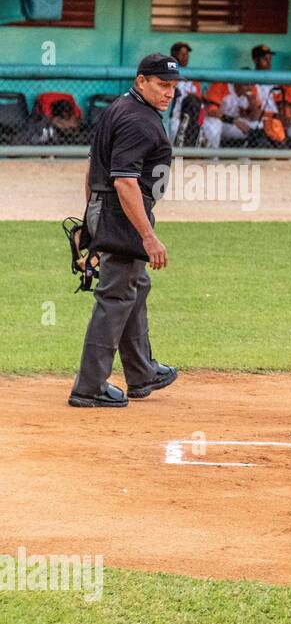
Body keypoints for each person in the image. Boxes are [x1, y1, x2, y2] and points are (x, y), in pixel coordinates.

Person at [68, 53, 180, 408]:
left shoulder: (120, 108)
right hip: (124, 214)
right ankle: (89, 387)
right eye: (162, 85)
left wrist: (91, 224)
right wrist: (147, 236)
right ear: (141, 80)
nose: (169, 93)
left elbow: (92, 169)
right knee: (115, 297)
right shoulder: (139, 121)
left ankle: (142, 370)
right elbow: (126, 183)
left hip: (108, 212)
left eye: (174, 86)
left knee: (135, 286)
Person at [168, 41, 204, 146]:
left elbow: (199, 98)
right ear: (174, 55)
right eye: (182, 54)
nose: (185, 57)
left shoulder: (192, 76)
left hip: (190, 117)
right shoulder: (168, 73)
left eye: (187, 54)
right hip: (173, 115)